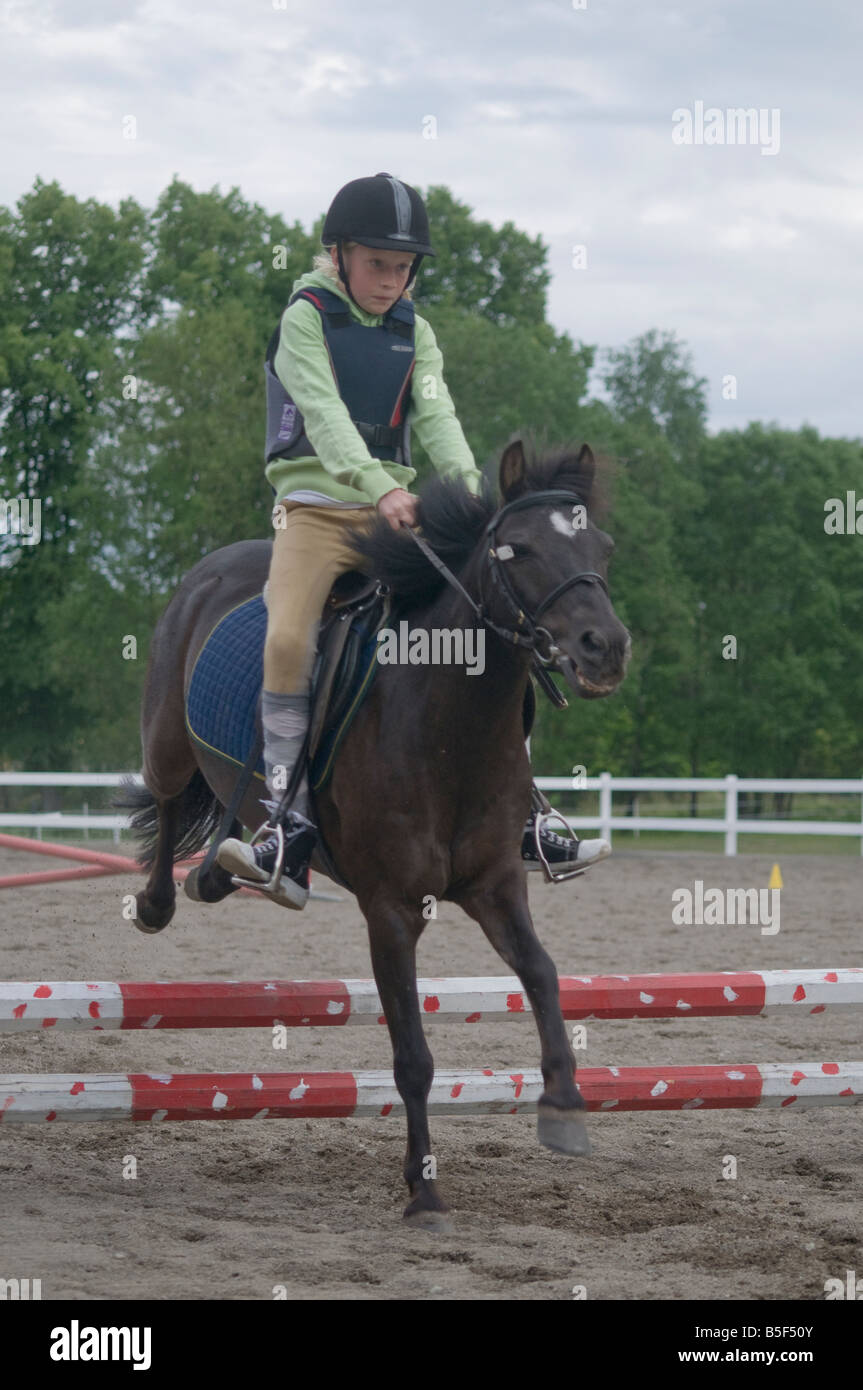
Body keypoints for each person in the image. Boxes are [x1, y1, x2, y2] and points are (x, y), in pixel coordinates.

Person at [217, 173, 609, 909]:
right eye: (377, 265)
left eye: (402, 269)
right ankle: (284, 824)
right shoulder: (304, 319)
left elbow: (436, 418)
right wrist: (379, 486)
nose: (390, 281)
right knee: (288, 641)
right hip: (314, 510)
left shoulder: (414, 332)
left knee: (495, 627)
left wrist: (465, 493)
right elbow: (327, 418)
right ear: (339, 254)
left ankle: (525, 814)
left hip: (396, 515)